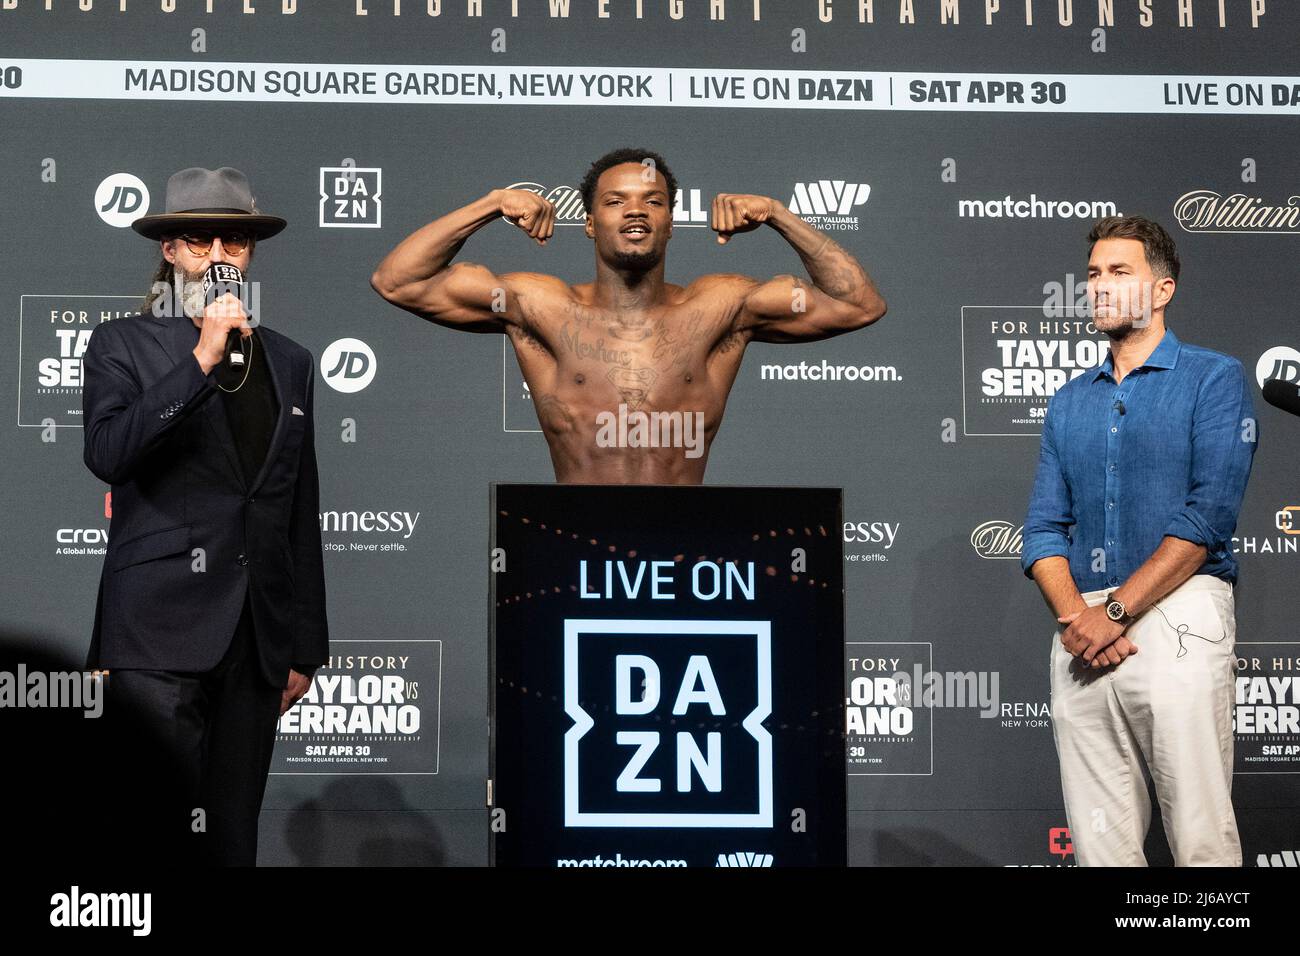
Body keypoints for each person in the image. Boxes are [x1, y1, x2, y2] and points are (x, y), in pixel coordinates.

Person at [370, 147, 886, 483]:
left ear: (670, 223)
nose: (636, 211)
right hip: (573, 539)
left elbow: (857, 304)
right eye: (616, 201)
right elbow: (399, 280)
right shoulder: (541, 306)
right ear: (591, 224)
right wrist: (491, 203)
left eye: (653, 202)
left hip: (685, 546)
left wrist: (779, 214)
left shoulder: (720, 307)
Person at [81, 166, 329, 866]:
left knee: (231, 840)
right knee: (149, 833)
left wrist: (304, 646)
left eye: (235, 241)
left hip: (255, 640)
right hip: (157, 635)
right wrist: (199, 358)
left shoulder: (290, 360)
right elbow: (108, 452)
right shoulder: (120, 344)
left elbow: (296, 505)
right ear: (170, 252)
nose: (219, 255)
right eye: (199, 240)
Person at [1021, 215, 1256, 866]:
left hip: (1177, 610)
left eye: (1119, 272)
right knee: (1102, 850)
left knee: (1201, 838)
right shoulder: (1069, 401)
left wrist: (1117, 611)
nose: (1099, 286)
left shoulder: (1213, 377)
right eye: (1093, 274)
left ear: (1162, 289)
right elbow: (1041, 529)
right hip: (1081, 630)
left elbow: (1206, 518)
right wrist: (1079, 616)